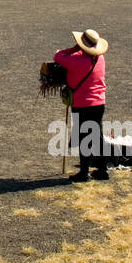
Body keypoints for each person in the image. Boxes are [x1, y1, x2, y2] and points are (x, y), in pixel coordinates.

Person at [54, 29, 110, 182]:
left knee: (83, 137)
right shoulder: (100, 59)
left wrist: (73, 49)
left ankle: (84, 173)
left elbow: (58, 56)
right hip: (99, 102)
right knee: (97, 136)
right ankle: (102, 169)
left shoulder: (77, 61)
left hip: (82, 103)